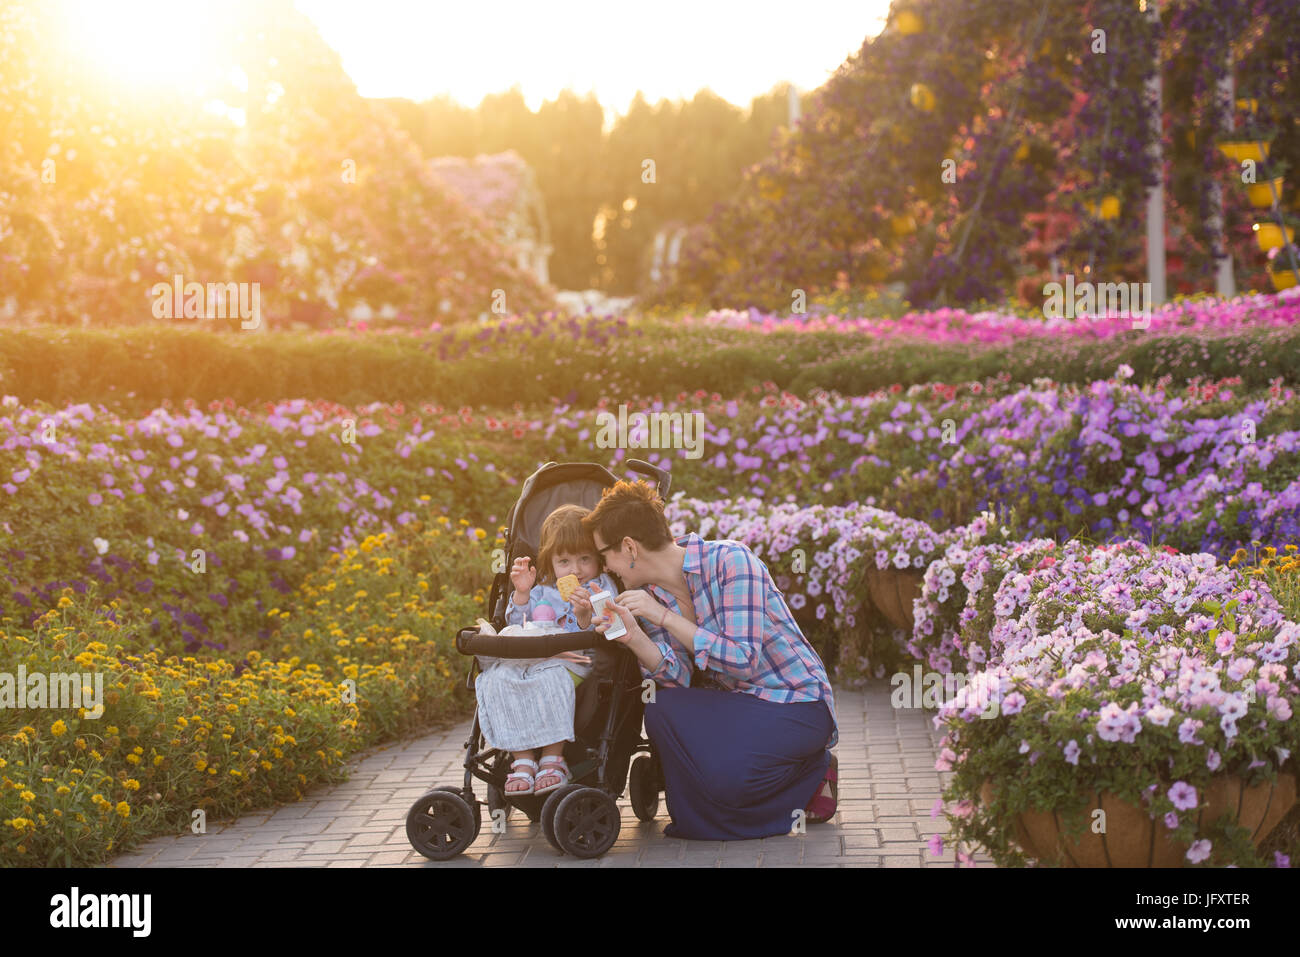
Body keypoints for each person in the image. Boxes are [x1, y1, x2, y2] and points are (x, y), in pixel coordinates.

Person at [583, 480, 839, 840]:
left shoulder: (731, 561)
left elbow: (743, 660)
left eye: (604, 554)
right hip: (739, 707)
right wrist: (634, 636)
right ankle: (756, 790)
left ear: (629, 547)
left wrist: (664, 618)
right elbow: (678, 680)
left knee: (730, 780)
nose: (607, 567)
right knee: (659, 704)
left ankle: (814, 770)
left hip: (796, 702)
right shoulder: (647, 596)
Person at [474, 504, 618, 795]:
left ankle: (554, 759)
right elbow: (517, 626)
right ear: (550, 563)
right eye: (564, 561)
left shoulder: (600, 587)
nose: (575, 570)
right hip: (533, 656)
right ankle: (523, 759)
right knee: (498, 678)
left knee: (550, 679)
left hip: (576, 658)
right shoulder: (542, 589)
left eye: (584, 559)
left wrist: (583, 616)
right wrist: (523, 593)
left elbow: (608, 629)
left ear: (599, 560)